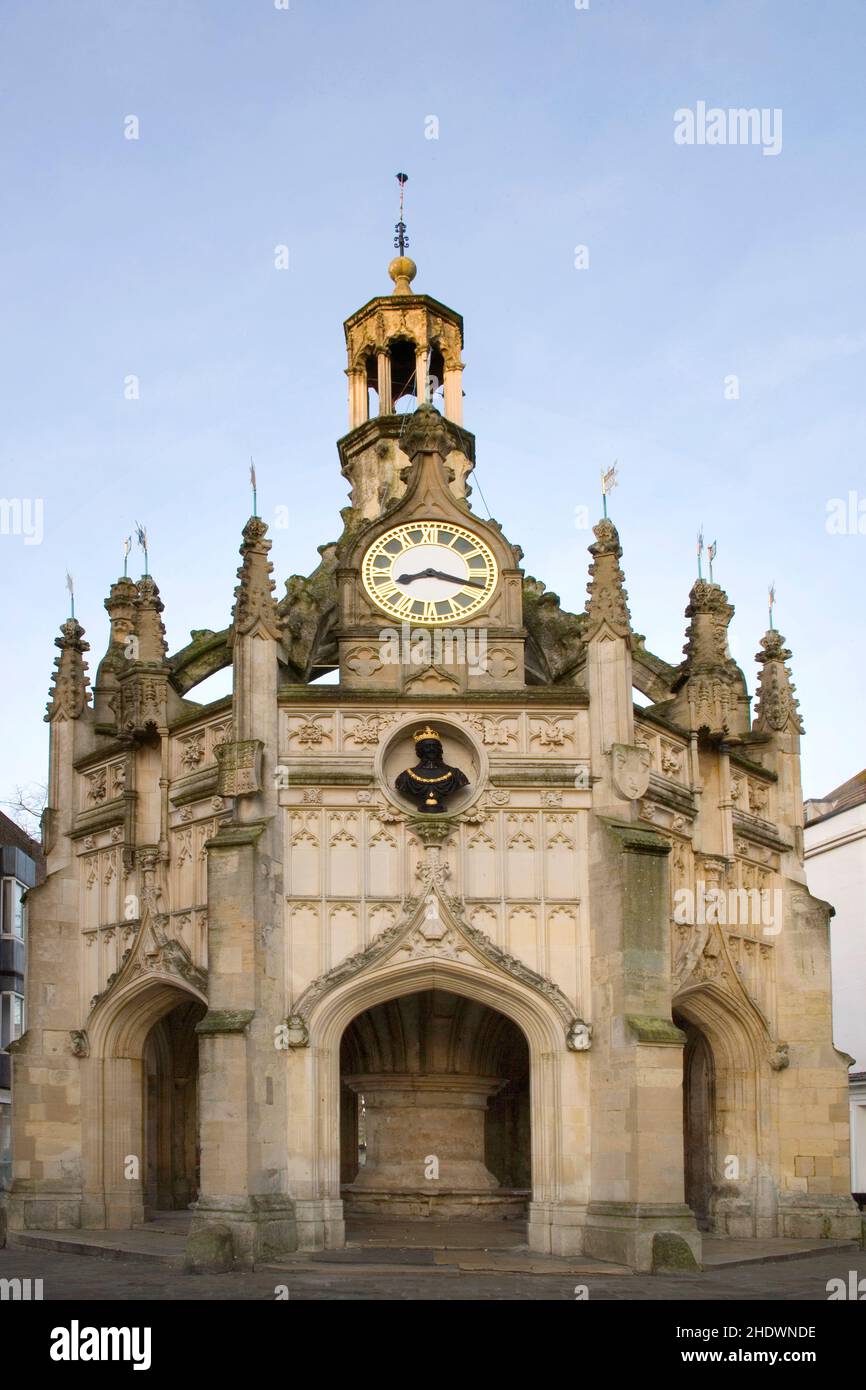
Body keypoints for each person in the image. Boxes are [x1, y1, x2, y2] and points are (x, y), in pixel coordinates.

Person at [395, 726, 469, 814]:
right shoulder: (406, 777)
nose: (431, 749)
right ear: (420, 751)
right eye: (427, 747)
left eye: (434, 746)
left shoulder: (456, 775)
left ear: (439, 750)